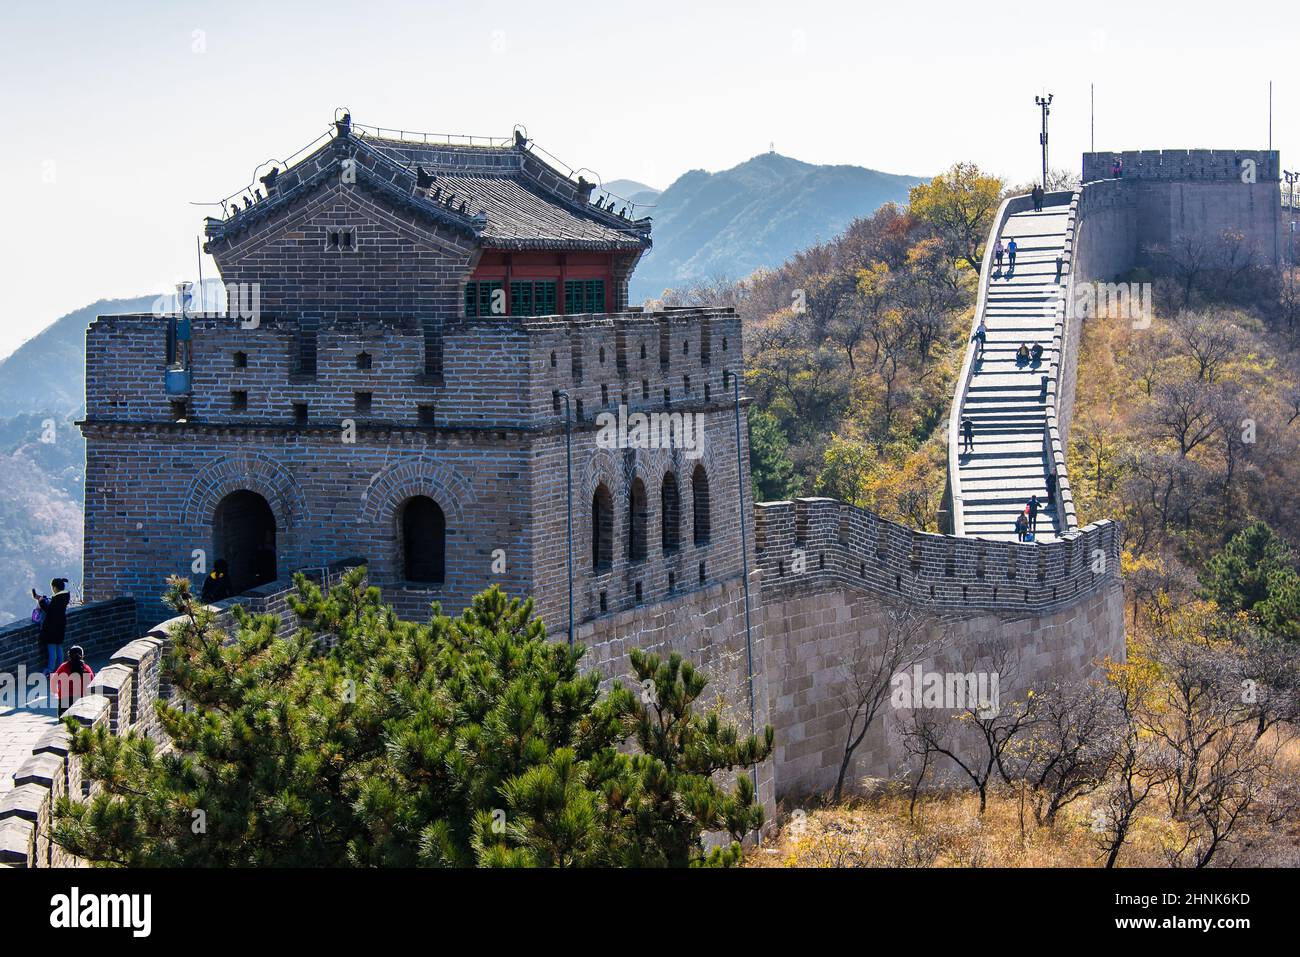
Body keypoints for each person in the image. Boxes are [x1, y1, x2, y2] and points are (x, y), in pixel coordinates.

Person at [33, 577, 70, 675]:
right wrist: (42, 599)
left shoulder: (57, 599)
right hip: (61, 624)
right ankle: (61, 667)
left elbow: (49, 611)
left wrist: (41, 601)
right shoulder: (65, 596)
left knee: (52, 648)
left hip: (52, 627)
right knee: (59, 646)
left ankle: (50, 668)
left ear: (54, 587)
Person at [52, 645, 95, 717]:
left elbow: (54, 680)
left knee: (64, 722)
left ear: (69, 656)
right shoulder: (86, 669)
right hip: (81, 699)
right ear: (82, 656)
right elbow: (92, 684)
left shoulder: (63, 667)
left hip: (64, 699)